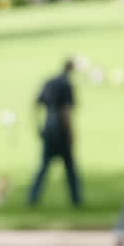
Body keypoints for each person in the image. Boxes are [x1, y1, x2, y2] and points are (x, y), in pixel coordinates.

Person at [27, 59, 83, 206]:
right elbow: (66, 111)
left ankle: (33, 197)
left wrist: (37, 126)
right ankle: (76, 198)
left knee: (44, 166)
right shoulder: (66, 85)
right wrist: (71, 133)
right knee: (70, 166)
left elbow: (35, 103)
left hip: (48, 126)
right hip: (60, 129)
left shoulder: (49, 82)